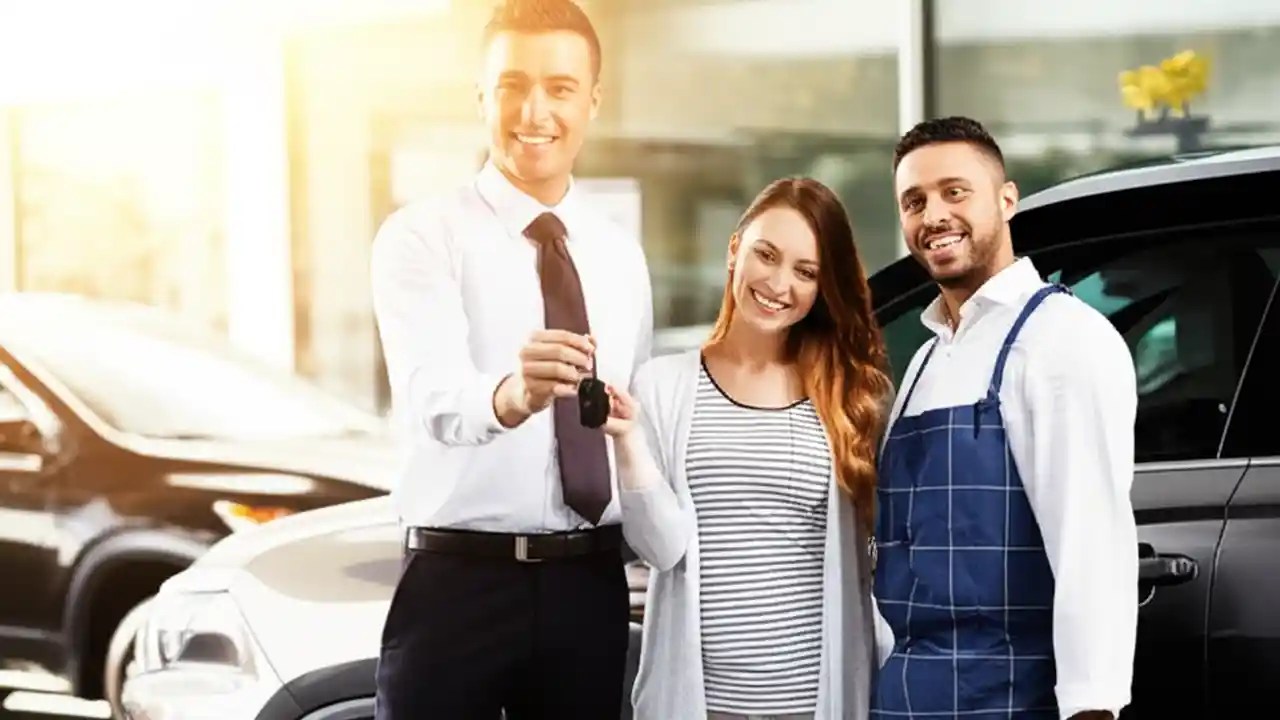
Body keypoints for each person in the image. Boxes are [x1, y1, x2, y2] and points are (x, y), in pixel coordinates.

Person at [367, 1, 653, 717]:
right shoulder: (421, 236)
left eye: (560, 88)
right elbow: (432, 395)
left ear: (593, 100)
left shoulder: (619, 256)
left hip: (588, 588)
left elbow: (633, 418)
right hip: (458, 585)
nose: (534, 111)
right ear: (480, 97)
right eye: (511, 86)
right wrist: (512, 396)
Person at [871, 116, 1139, 720]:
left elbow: (1091, 547)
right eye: (914, 201)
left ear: (1007, 199)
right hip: (906, 700)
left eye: (954, 191)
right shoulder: (922, 360)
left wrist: (1092, 708)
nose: (933, 214)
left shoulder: (1062, 340)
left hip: (1013, 700)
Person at [604, 177, 895, 720]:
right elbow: (660, 550)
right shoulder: (665, 386)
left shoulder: (855, 395)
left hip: (817, 700)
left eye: (805, 272)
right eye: (767, 254)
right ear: (735, 248)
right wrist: (627, 442)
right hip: (700, 703)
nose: (780, 283)